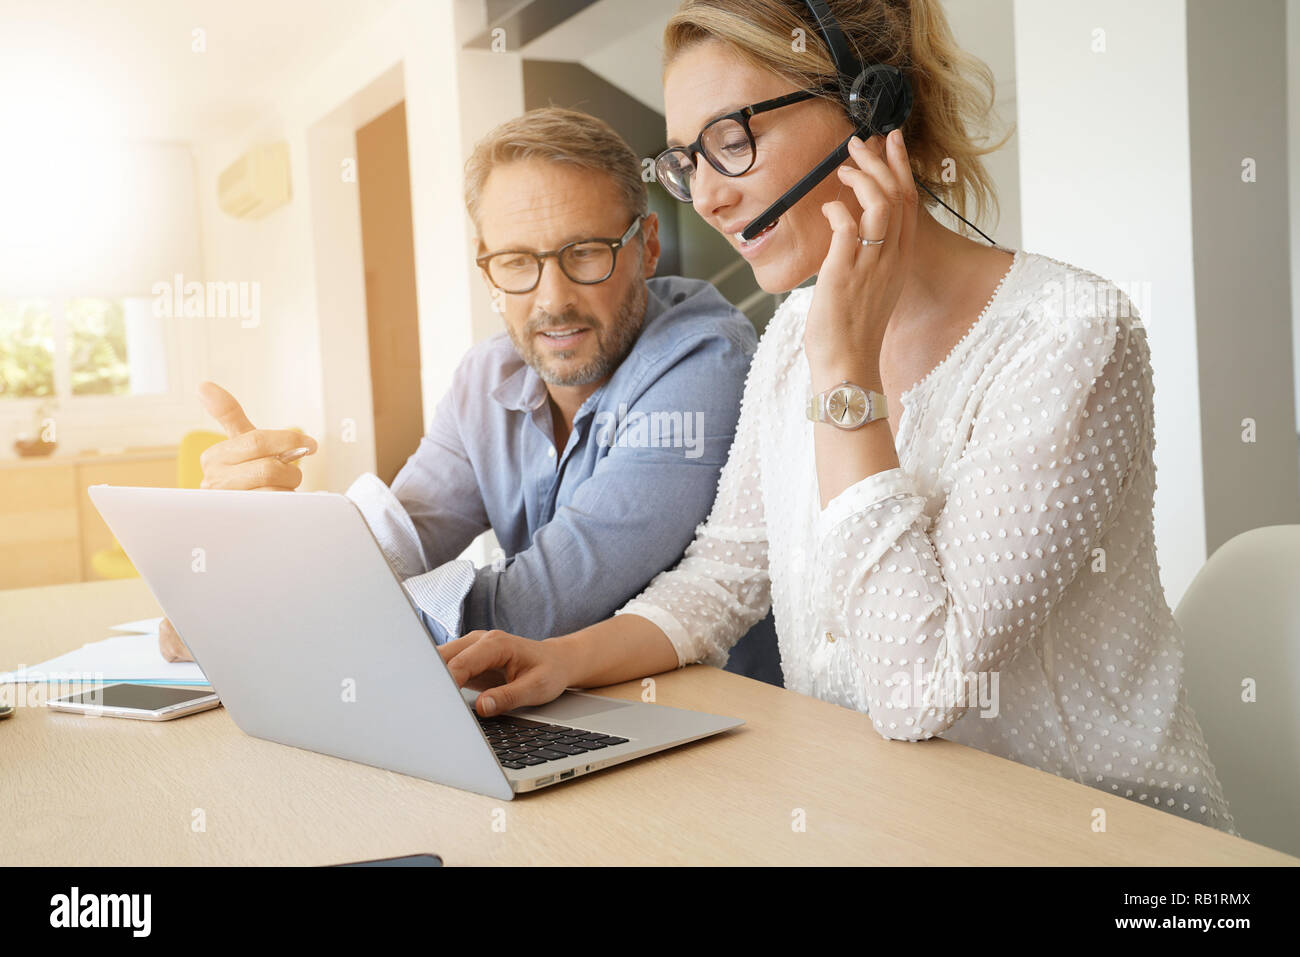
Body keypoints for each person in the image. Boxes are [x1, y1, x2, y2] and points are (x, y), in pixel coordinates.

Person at [435, 0, 1237, 835]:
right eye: (685, 160)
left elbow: (920, 689)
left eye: (732, 140)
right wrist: (558, 659)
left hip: (1091, 839)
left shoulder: (1070, 332)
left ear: (870, 107)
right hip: (884, 817)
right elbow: (725, 575)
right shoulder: (791, 337)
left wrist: (848, 374)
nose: (706, 195)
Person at [160, 106, 781, 685]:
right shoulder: (486, 376)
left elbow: (533, 610)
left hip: (714, 737)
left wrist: (263, 625)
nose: (551, 299)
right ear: (486, 267)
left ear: (646, 246)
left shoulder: (704, 360)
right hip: (556, 721)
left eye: (585, 252)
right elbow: (398, 537)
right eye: (516, 262)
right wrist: (250, 567)